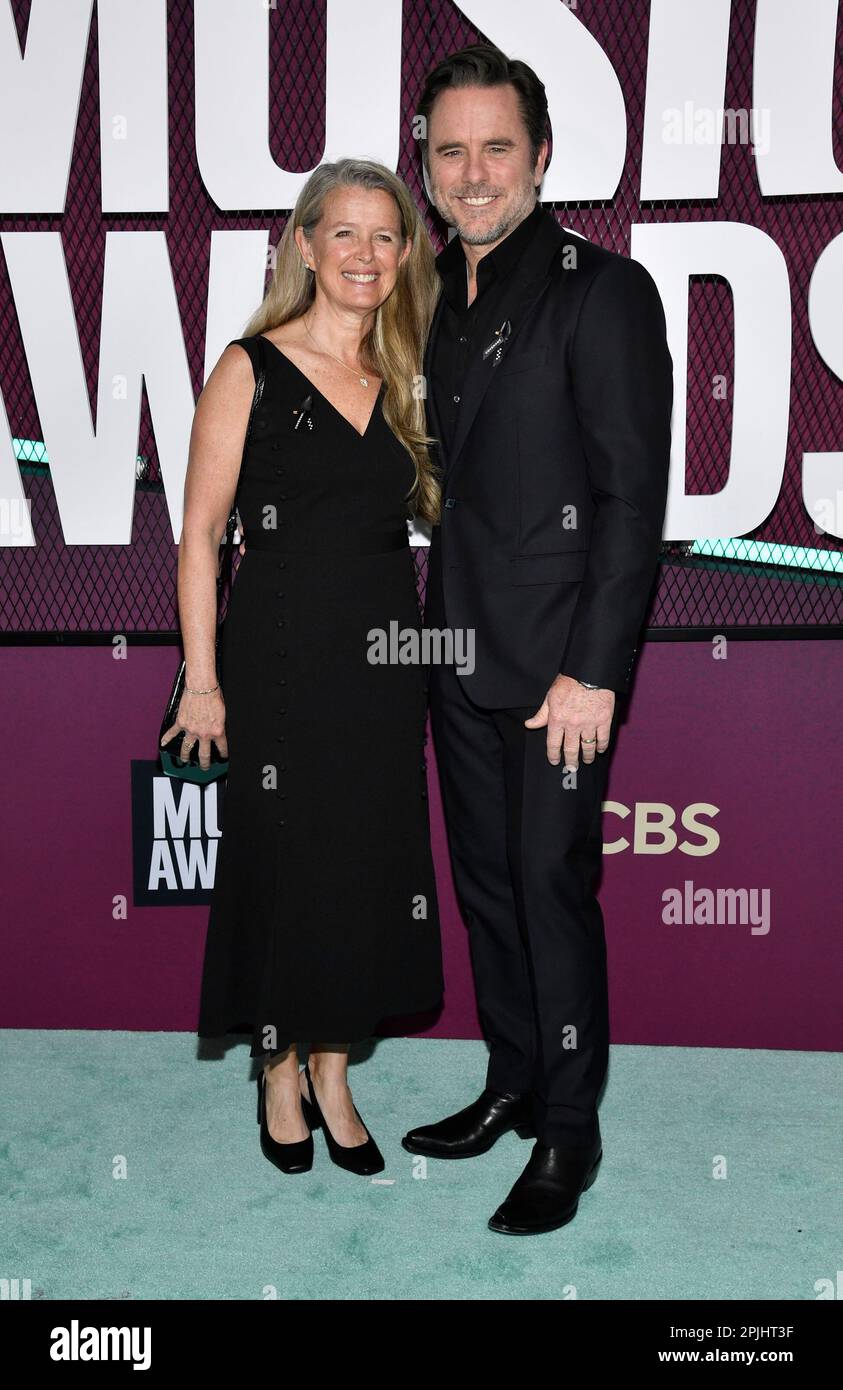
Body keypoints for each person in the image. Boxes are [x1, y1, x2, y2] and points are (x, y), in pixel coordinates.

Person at [401, 45, 674, 1234]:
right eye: (450, 150)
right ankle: (512, 1078)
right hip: (452, 659)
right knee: (487, 890)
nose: (473, 173)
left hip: (560, 669)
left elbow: (630, 501)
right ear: (427, 163)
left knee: (550, 892)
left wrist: (593, 671)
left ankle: (570, 1128)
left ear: (542, 157)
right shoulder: (431, 297)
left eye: (495, 148)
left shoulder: (597, 289)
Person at [162, 159, 444, 1177]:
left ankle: (335, 1068)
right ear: (306, 246)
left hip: (382, 657)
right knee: (287, 860)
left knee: (363, 863)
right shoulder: (251, 366)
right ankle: (279, 1067)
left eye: (385, 236)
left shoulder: (406, 375)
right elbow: (199, 537)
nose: (365, 254)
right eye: (345, 234)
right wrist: (204, 679)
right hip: (278, 653)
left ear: (404, 253)